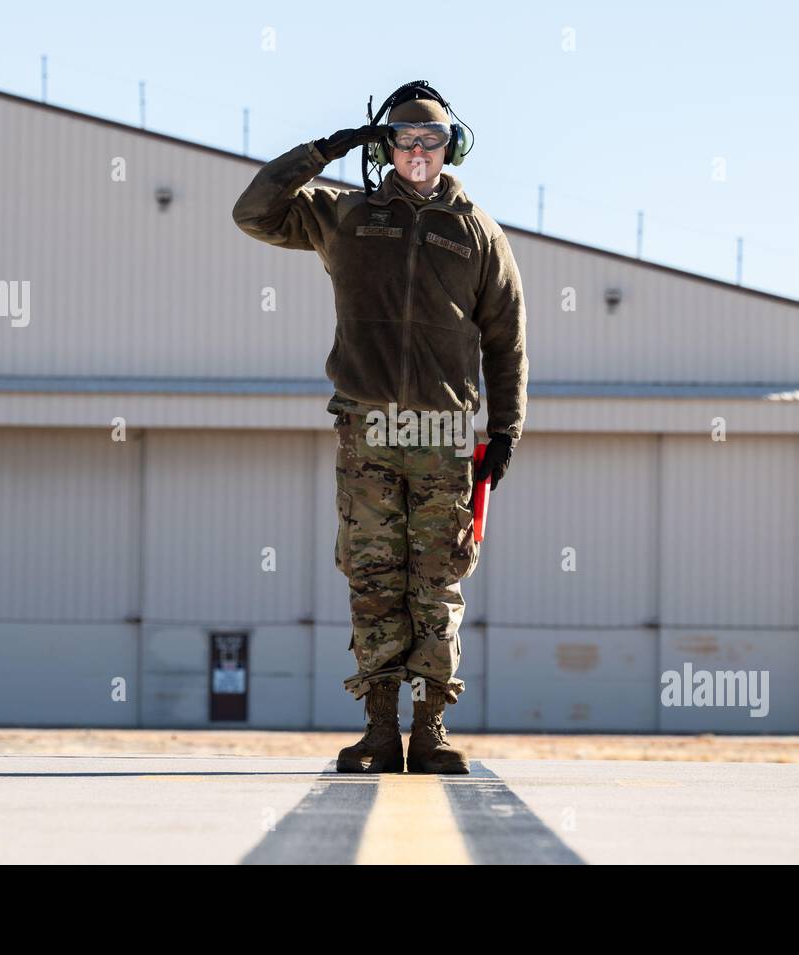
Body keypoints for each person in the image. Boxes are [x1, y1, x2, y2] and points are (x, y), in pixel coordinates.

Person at [231, 82, 527, 773]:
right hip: (367, 430)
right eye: (404, 140)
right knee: (372, 579)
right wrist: (327, 149)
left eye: (432, 141)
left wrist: (506, 428)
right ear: (384, 145)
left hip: (444, 438)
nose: (419, 152)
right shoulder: (344, 217)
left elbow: (506, 337)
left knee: (436, 584)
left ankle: (430, 731)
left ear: (451, 147)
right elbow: (253, 210)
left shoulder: (477, 231)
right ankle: (378, 730)